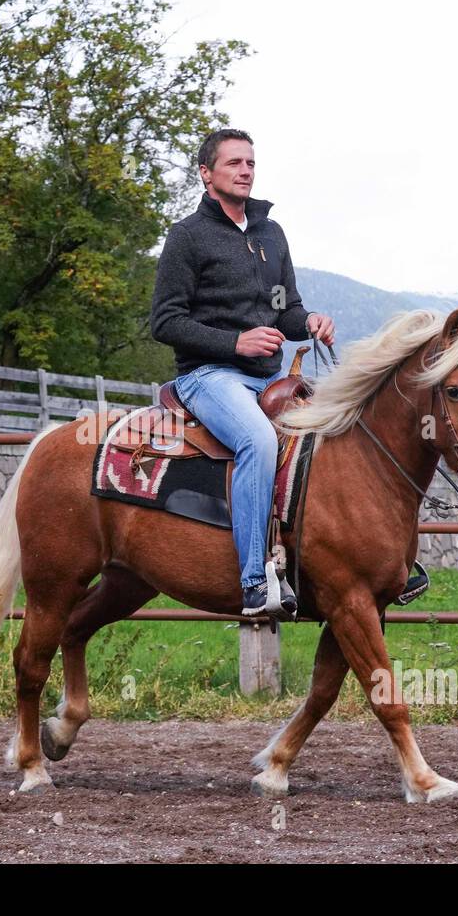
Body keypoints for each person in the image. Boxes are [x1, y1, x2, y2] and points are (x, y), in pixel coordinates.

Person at [150, 128, 335, 619]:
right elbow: (165, 322)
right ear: (207, 174)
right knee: (259, 440)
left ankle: (351, 564)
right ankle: (256, 581)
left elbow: (287, 309)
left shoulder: (271, 234)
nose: (246, 170)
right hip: (208, 376)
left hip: (268, 379)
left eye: (250, 162)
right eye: (233, 163)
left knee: (339, 434)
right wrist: (236, 342)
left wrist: (308, 323)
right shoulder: (187, 237)